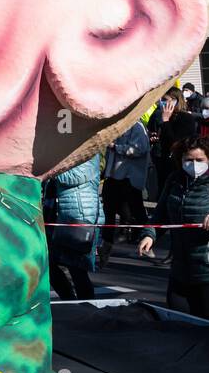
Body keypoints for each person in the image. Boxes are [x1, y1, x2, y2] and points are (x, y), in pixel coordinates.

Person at [139, 138, 209, 323]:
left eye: (199, 160)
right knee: (178, 317)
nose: (193, 165)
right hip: (181, 264)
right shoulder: (175, 179)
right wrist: (150, 235)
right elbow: (161, 214)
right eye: (188, 160)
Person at [43, 155, 102, 300]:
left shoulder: (90, 154)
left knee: (77, 268)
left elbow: (75, 176)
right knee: (47, 262)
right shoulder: (67, 153)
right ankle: (69, 299)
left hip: (80, 216)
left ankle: (87, 307)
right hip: (60, 215)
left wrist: (50, 169)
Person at [100, 119, 151, 265]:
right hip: (113, 175)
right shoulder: (116, 124)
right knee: (108, 211)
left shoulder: (137, 126)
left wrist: (116, 147)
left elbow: (140, 148)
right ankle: (106, 245)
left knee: (136, 211)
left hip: (129, 176)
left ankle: (148, 239)